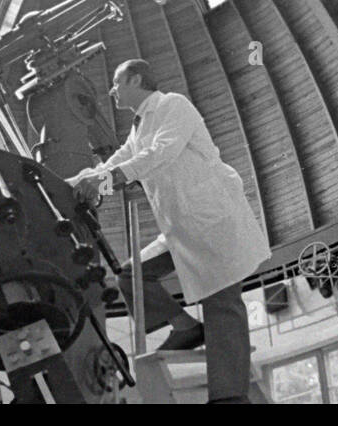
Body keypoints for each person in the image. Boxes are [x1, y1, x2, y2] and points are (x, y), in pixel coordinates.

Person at [69, 60, 271, 402]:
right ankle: (185, 326)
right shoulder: (140, 125)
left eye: (117, 83)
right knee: (130, 275)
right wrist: (67, 186)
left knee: (222, 304)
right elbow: (114, 163)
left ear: (135, 79)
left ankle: (230, 398)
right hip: (183, 230)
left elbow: (160, 153)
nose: (112, 91)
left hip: (213, 223)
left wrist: (105, 181)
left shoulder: (173, 105)